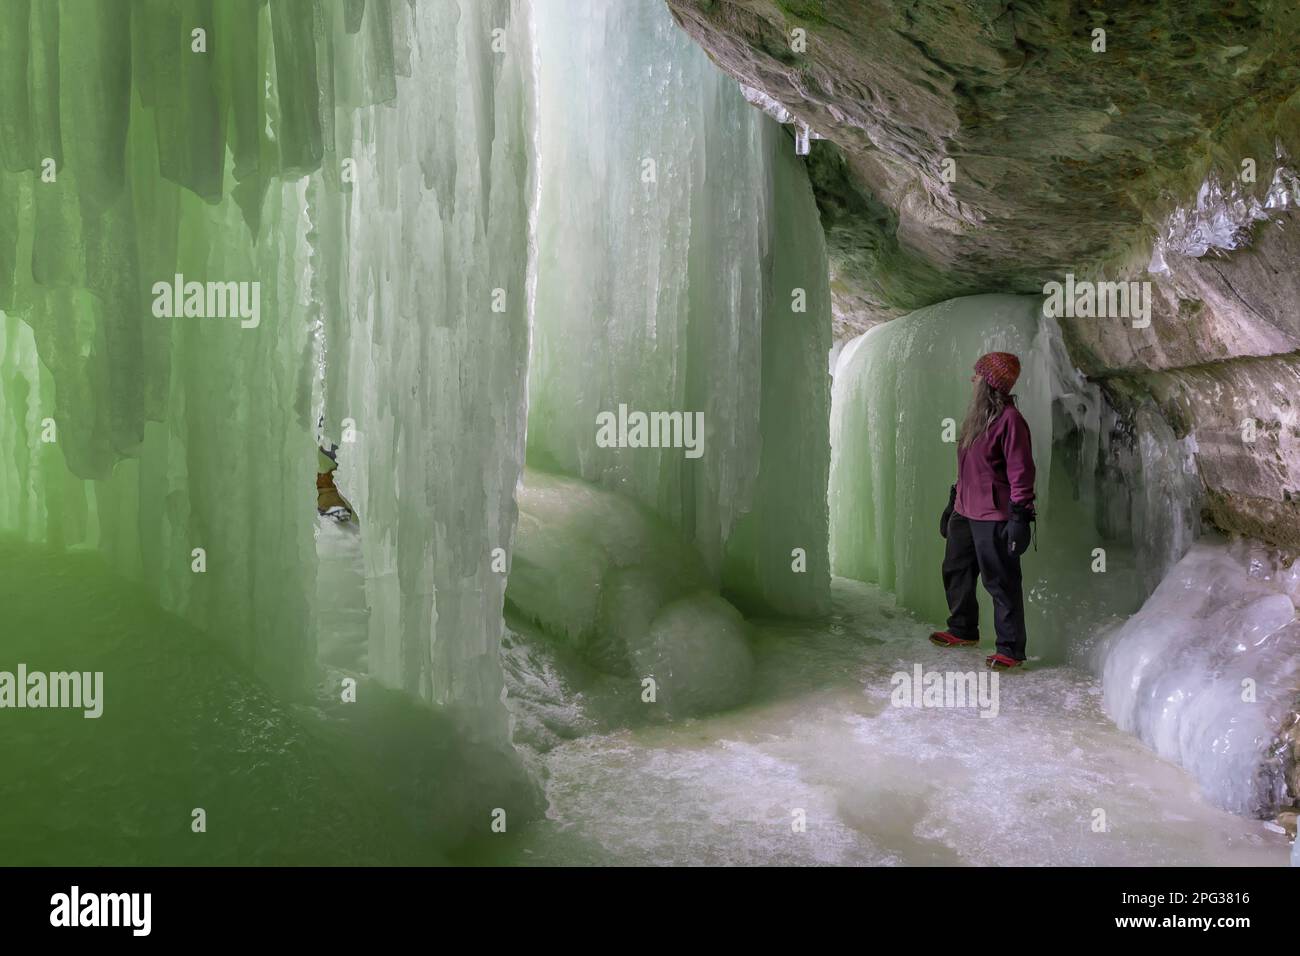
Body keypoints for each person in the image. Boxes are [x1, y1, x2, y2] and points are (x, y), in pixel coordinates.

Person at [930, 351, 1035, 670]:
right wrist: (953, 502)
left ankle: (1010, 648)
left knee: (1000, 580)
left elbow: (1022, 470)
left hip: (994, 514)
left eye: (976, 375)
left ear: (989, 383)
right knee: (955, 569)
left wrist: (1020, 516)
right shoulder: (976, 418)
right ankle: (962, 628)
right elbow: (968, 467)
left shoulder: (1011, 421)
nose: (971, 379)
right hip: (965, 508)